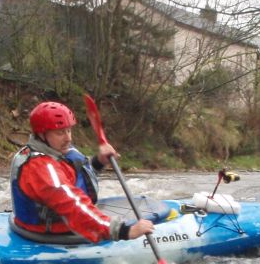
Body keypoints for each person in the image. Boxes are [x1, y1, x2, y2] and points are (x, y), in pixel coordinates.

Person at [10, 101, 155, 243]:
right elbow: (72, 205)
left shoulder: (55, 151)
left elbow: (76, 177)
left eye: (69, 130)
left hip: (64, 220)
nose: (68, 138)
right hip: (51, 233)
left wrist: (99, 162)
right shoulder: (41, 169)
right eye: (60, 132)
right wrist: (124, 231)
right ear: (42, 134)